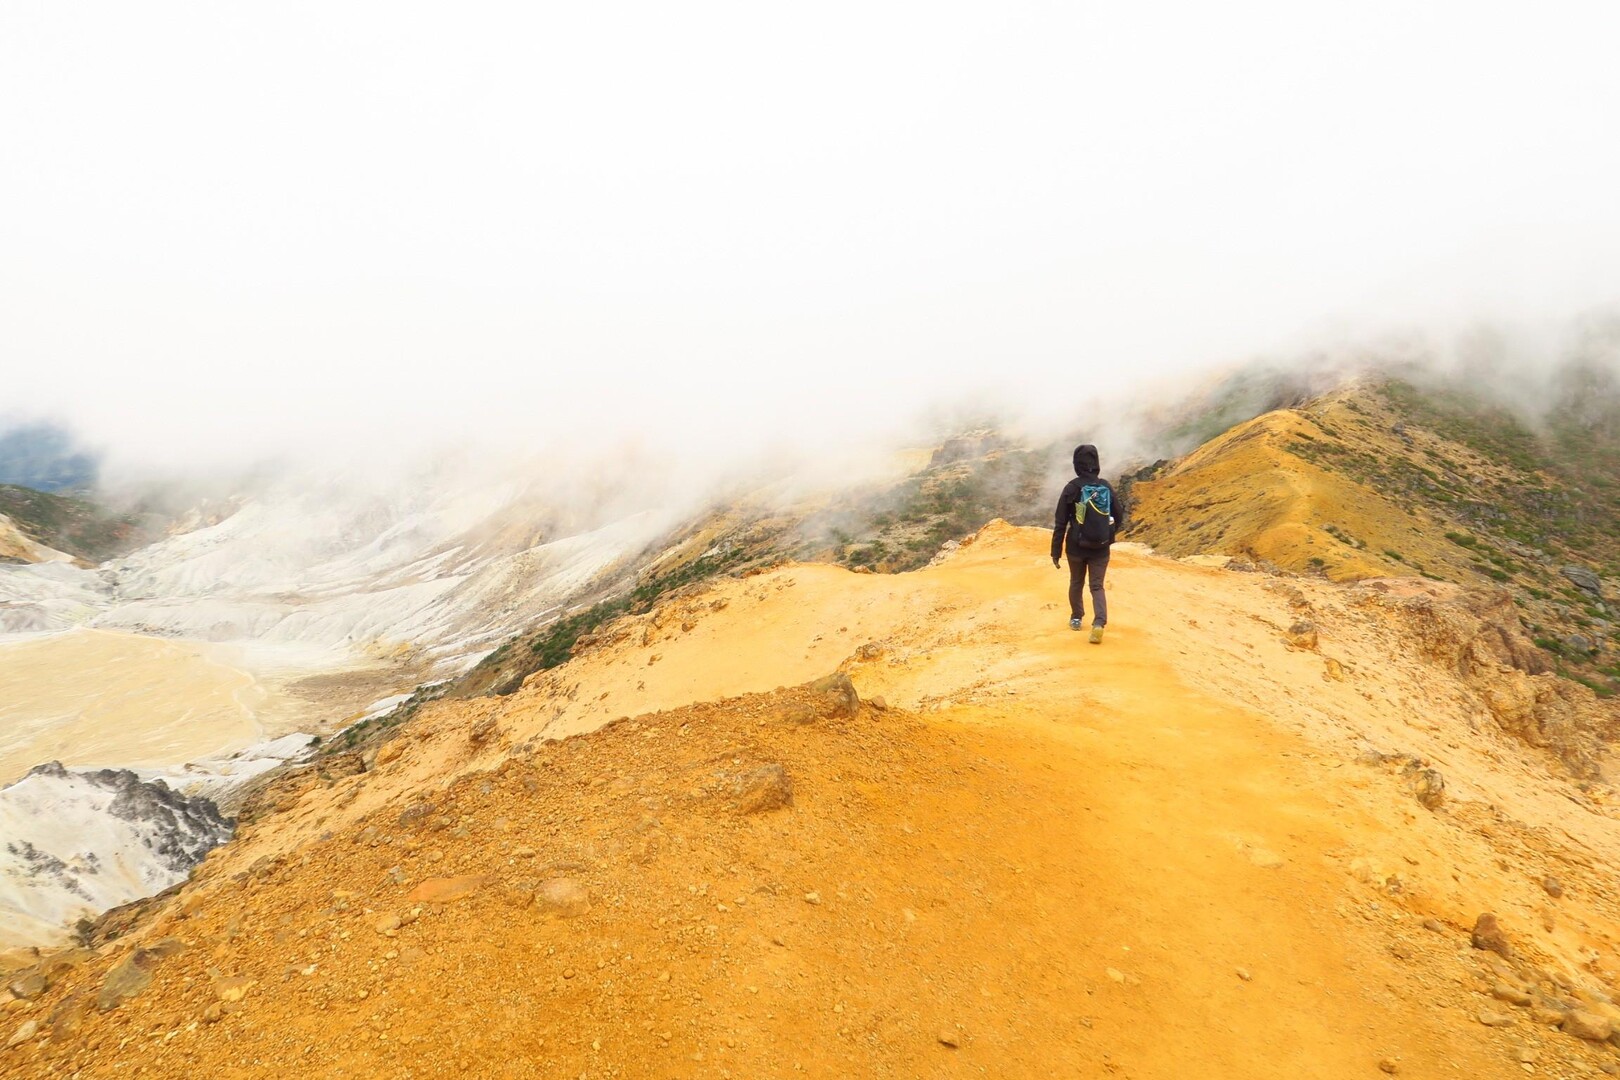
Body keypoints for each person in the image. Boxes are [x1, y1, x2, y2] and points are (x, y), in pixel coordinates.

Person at [1051, 443, 1124, 644]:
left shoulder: (1072, 488)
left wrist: (1055, 551)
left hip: (1076, 546)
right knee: (1097, 586)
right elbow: (1118, 514)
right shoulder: (1105, 487)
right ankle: (1099, 623)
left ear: (1077, 464)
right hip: (1101, 547)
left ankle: (1076, 617)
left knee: (1076, 582)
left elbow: (1060, 523)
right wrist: (1107, 533)